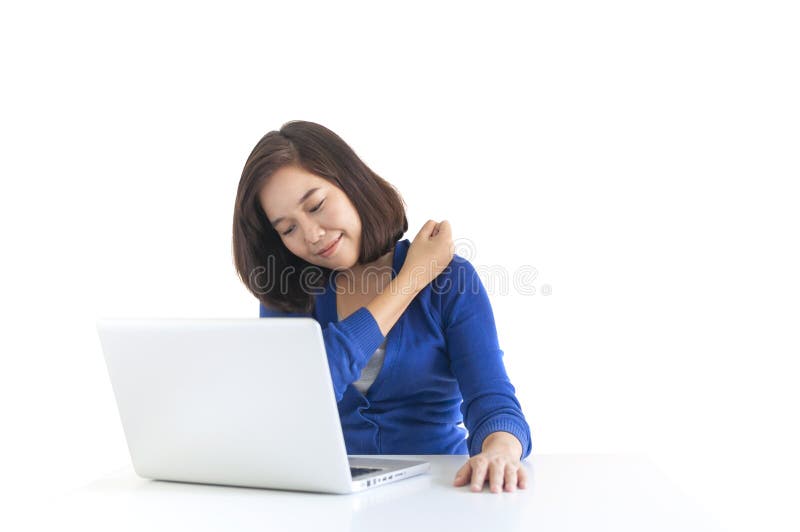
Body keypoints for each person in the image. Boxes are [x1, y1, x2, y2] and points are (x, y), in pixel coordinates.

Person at [232, 120, 532, 493]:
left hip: (440, 492)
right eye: (287, 229)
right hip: (330, 498)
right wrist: (409, 282)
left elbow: (493, 401)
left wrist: (500, 450)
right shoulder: (287, 292)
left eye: (316, 205)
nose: (311, 234)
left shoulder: (449, 279)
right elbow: (303, 395)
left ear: (351, 184)